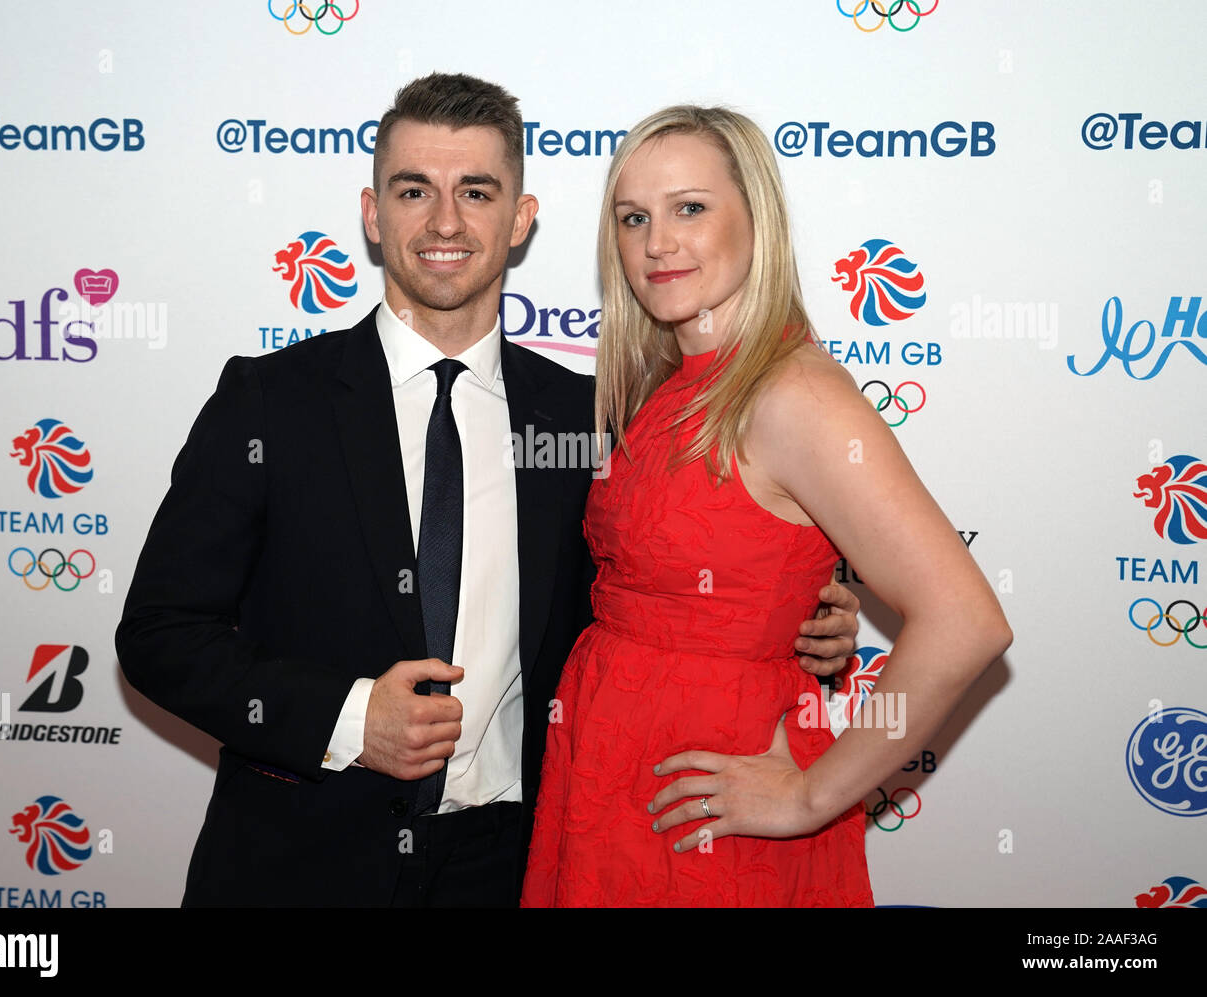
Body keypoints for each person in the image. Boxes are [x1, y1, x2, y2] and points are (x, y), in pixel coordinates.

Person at [115, 75, 860, 907]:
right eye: (413, 191)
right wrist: (350, 718)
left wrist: (801, 614)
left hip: (514, 864)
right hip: (297, 862)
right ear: (372, 213)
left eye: (476, 192)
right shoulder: (271, 401)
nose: (444, 222)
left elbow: (654, 590)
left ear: (520, 220)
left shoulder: (594, 419)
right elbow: (157, 634)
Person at [521, 106, 1013, 907]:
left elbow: (965, 619)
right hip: (618, 776)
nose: (656, 242)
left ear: (758, 218)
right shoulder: (666, 386)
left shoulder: (793, 392)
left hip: (713, 801)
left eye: (690, 208)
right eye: (633, 217)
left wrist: (811, 794)